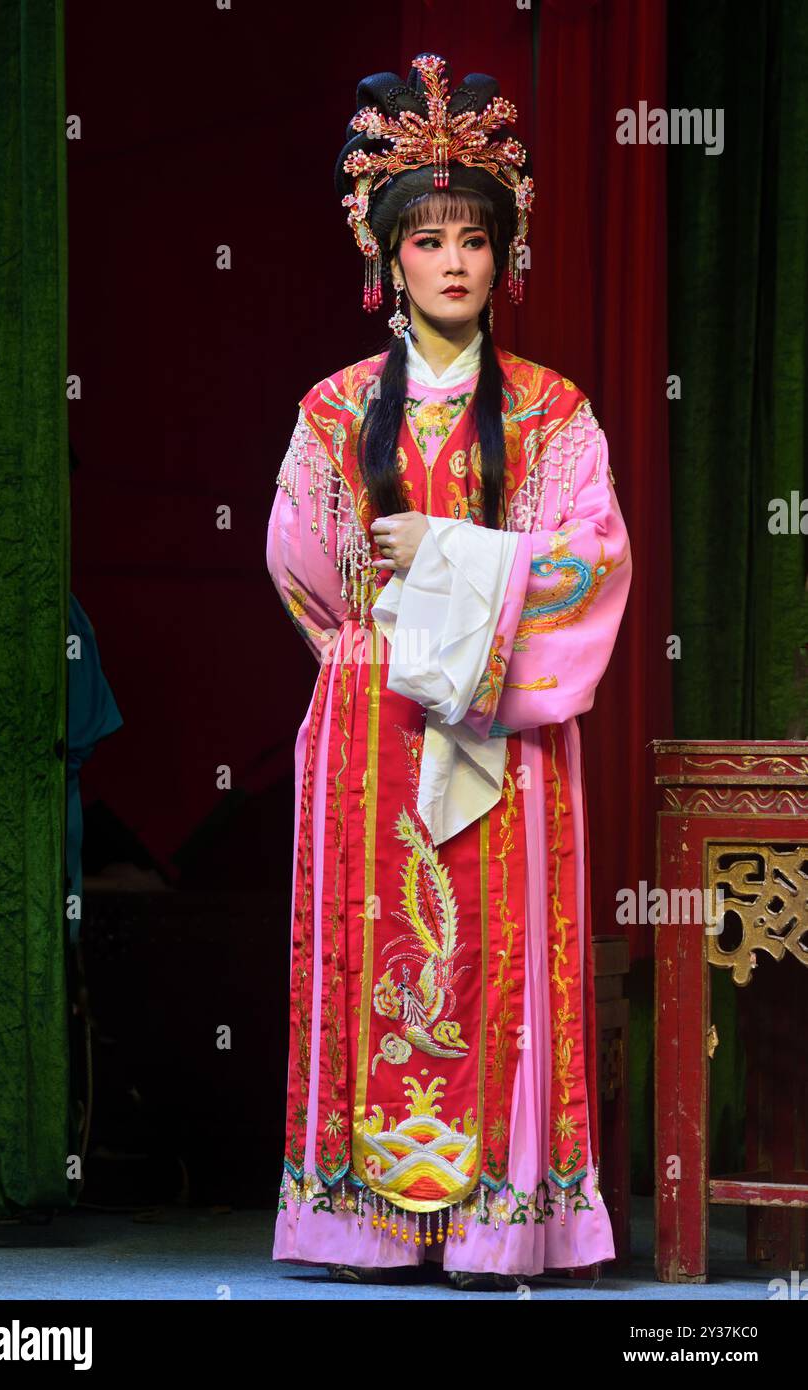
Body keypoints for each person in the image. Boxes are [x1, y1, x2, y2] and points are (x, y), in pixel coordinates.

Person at [266, 53, 632, 1290]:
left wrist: (455, 560)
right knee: (372, 963)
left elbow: (593, 563)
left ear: (504, 254)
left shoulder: (552, 413)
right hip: (372, 722)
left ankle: (500, 1219)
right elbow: (302, 566)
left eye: (477, 237)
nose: (456, 262)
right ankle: (365, 1217)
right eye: (428, 240)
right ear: (388, 259)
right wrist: (387, 657)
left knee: (502, 965)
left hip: (509, 733)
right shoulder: (330, 413)